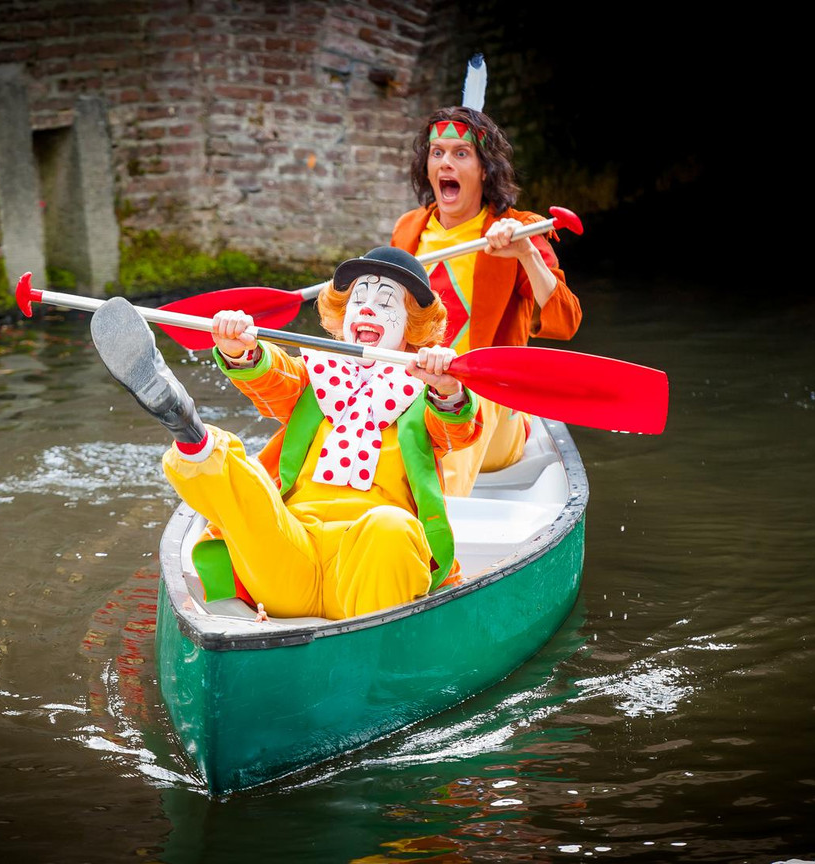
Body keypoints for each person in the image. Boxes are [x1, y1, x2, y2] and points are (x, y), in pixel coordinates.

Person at [89, 247, 483, 621]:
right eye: (358, 300)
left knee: (391, 527)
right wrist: (241, 349)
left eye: (384, 303)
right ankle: (184, 423)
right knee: (238, 471)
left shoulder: (425, 392)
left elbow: (458, 432)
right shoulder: (317, 374)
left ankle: (365, 647)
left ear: (413, 325)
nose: (366, 308)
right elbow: (274, 375)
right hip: (290, 555)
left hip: (370, 569)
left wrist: (448, 388)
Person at [392, 106, 583, 495]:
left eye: (461, 153)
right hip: (415, 396)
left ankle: (438, 529)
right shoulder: (408, 230)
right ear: (427, 166)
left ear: (484, 170)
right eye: (438, 152)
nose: (446, 162)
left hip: (492, 407)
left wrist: (527, 254)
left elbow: (566, 323)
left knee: (464, 392)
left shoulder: (519, 231)